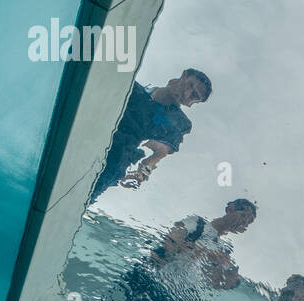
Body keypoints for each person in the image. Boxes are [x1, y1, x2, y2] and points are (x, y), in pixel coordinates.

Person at [109, 198, 257, 301]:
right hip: (154, 283)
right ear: (230, 208)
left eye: (248, 222)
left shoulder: (224, 249)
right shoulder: (197, 223)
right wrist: (200, 252)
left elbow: (214, 283)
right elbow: (170, 242)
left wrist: (230, 277)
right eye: (243, 216)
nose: (244, 223)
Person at [90, 69, 212, 202]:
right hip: (90, 138)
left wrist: (141, 174)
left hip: (113, 162)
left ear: (192, 104)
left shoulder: (178, 123)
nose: (186, 94)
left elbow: (159, 153)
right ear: (183, 76)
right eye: (190, 85)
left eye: (194, 95)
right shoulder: (132, 88)